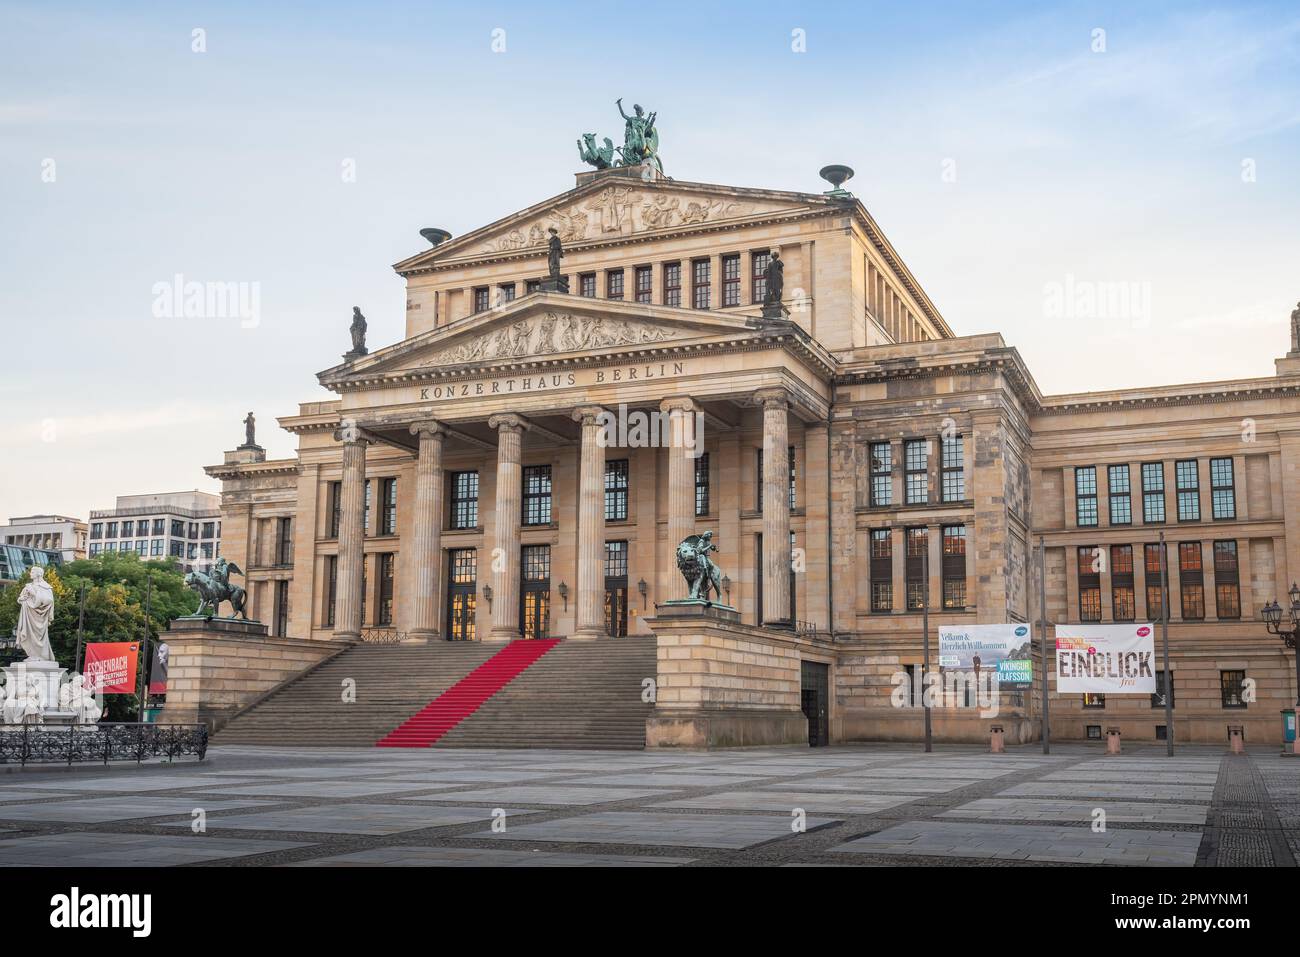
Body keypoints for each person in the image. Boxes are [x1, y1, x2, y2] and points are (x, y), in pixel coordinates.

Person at [16, 565, 55, 662]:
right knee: (28, 635)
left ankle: (41, 656)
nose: (30, 573)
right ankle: (32, 655)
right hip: (28, 615)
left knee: (39, 636)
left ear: (38, 574)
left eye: (32, 572)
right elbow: (20, 598)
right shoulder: (28, 586)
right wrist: (22, 599)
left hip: (40, 617)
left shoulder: (45, 586)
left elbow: (49, 600)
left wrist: (33, 593)